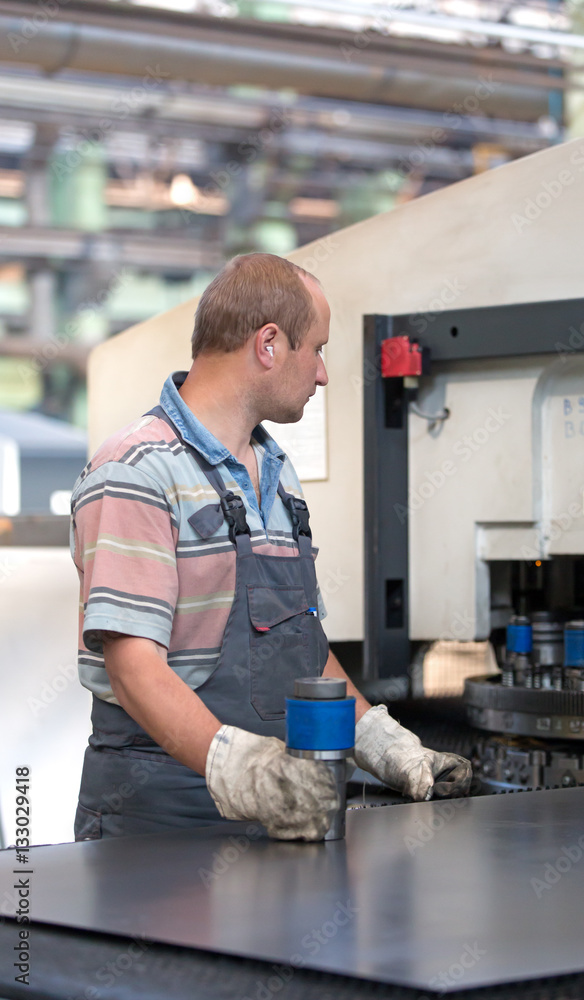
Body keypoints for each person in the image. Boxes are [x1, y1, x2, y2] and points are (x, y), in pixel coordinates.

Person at [70, 252, 471, 841]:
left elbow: (299, 644)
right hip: (158, 821)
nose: (323, 372)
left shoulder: (279, 476)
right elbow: (133, 670)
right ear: (268, 344)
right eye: (317, 350)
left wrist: (377, 741)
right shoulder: (135, 470)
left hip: (274, 814)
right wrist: (244, 771)